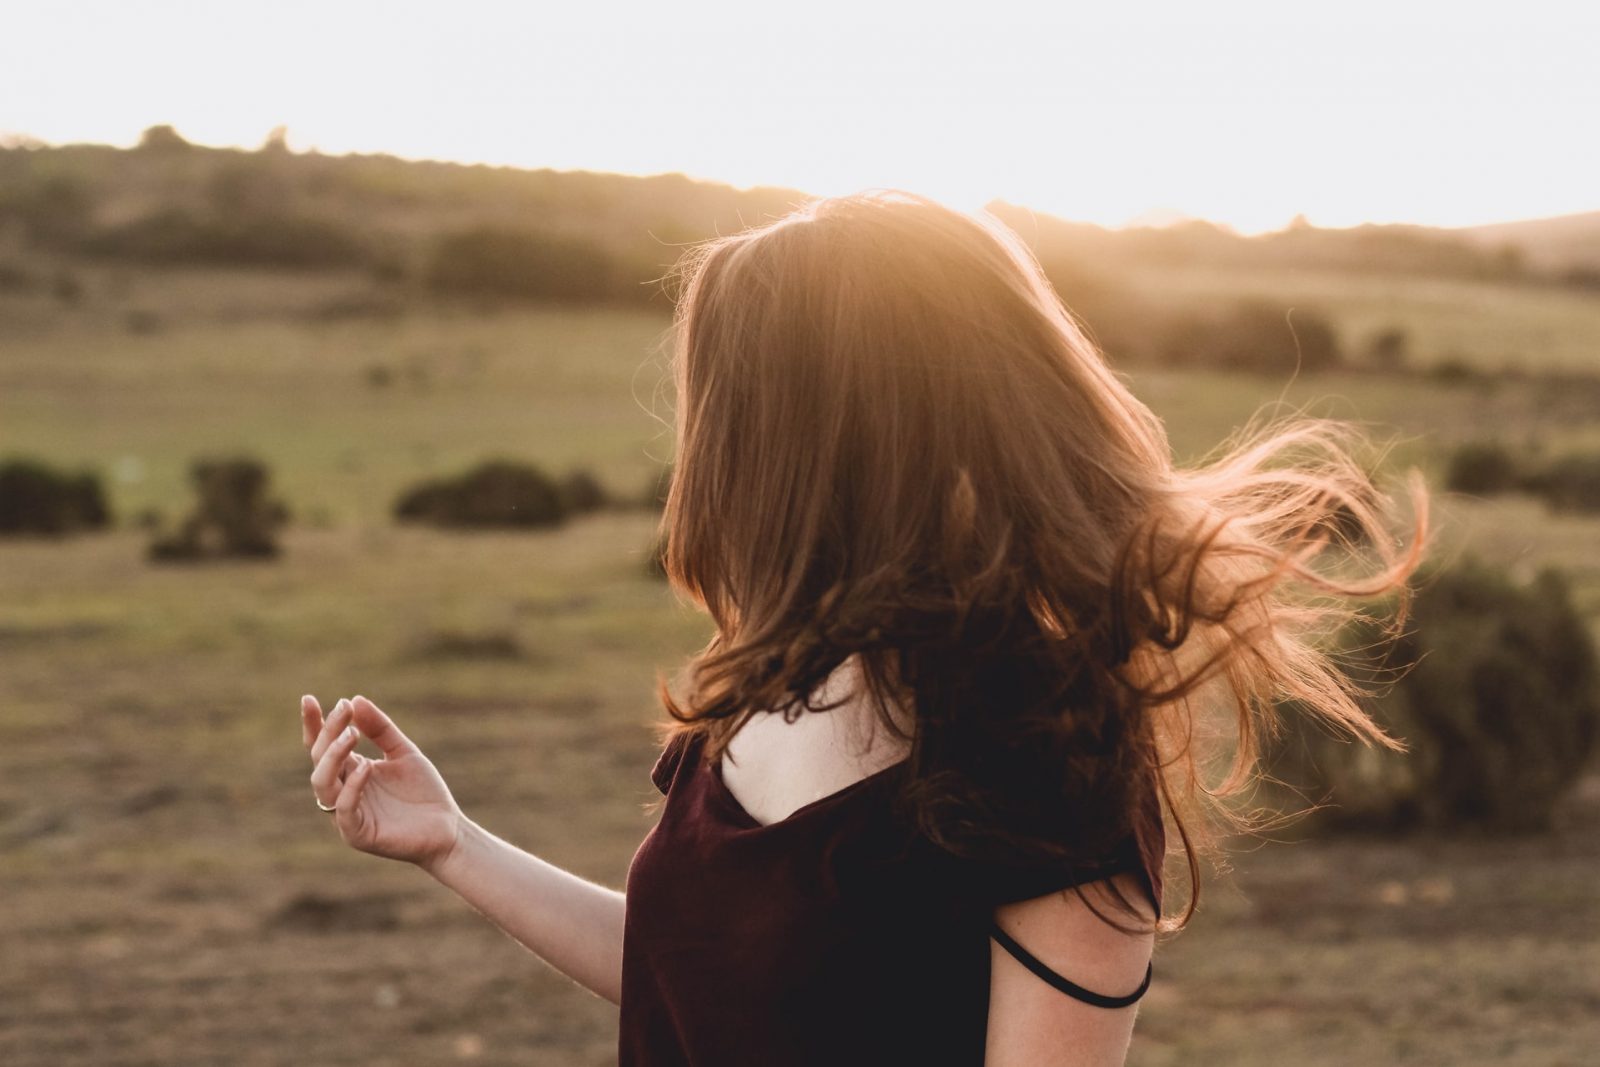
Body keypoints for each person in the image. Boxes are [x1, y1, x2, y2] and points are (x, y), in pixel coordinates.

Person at [299, 191, 1426, 1065]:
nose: (702, 455)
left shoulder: (1045, 756)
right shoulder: (770, 679)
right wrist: (454, 842)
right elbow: (691, 972)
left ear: (813, 442)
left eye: (729, 412)